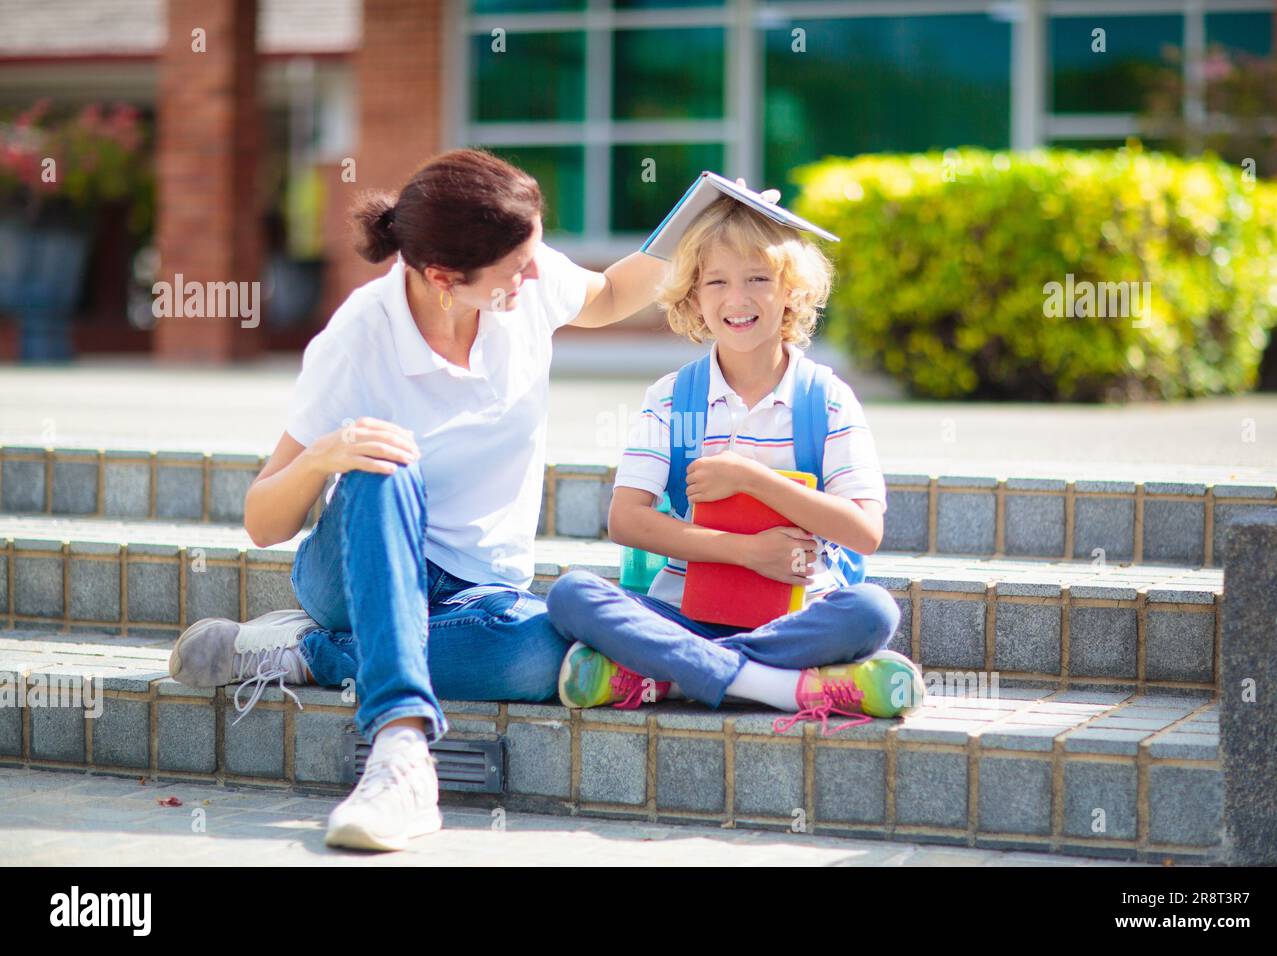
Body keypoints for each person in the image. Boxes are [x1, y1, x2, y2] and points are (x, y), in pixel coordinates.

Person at [168, 148, 674, 851]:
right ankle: (400, 752)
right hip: (356, 567)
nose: (538, 275)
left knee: (544, 653)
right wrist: (326, 454)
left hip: (476, 590)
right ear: (442, 278)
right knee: (385, 461)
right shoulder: (361, 335)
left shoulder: (528, 278)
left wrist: (702, 218)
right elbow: (264, 518)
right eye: (517, 269)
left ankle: (314, 654)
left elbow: (613, 295)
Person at [545, 196, 925, 734]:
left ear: (791, 292)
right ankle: (782, 686)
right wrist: (746, 551)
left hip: (797, 617)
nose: (737, 299)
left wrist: (752, 478)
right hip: (683, 613)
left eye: (758, 280)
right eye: (716, 282)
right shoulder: (676, 399)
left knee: (872, 612)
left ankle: (670, 675)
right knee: (570, 595)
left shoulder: (826, 399)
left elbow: (864, 530)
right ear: (694, 297)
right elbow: (628, 520)